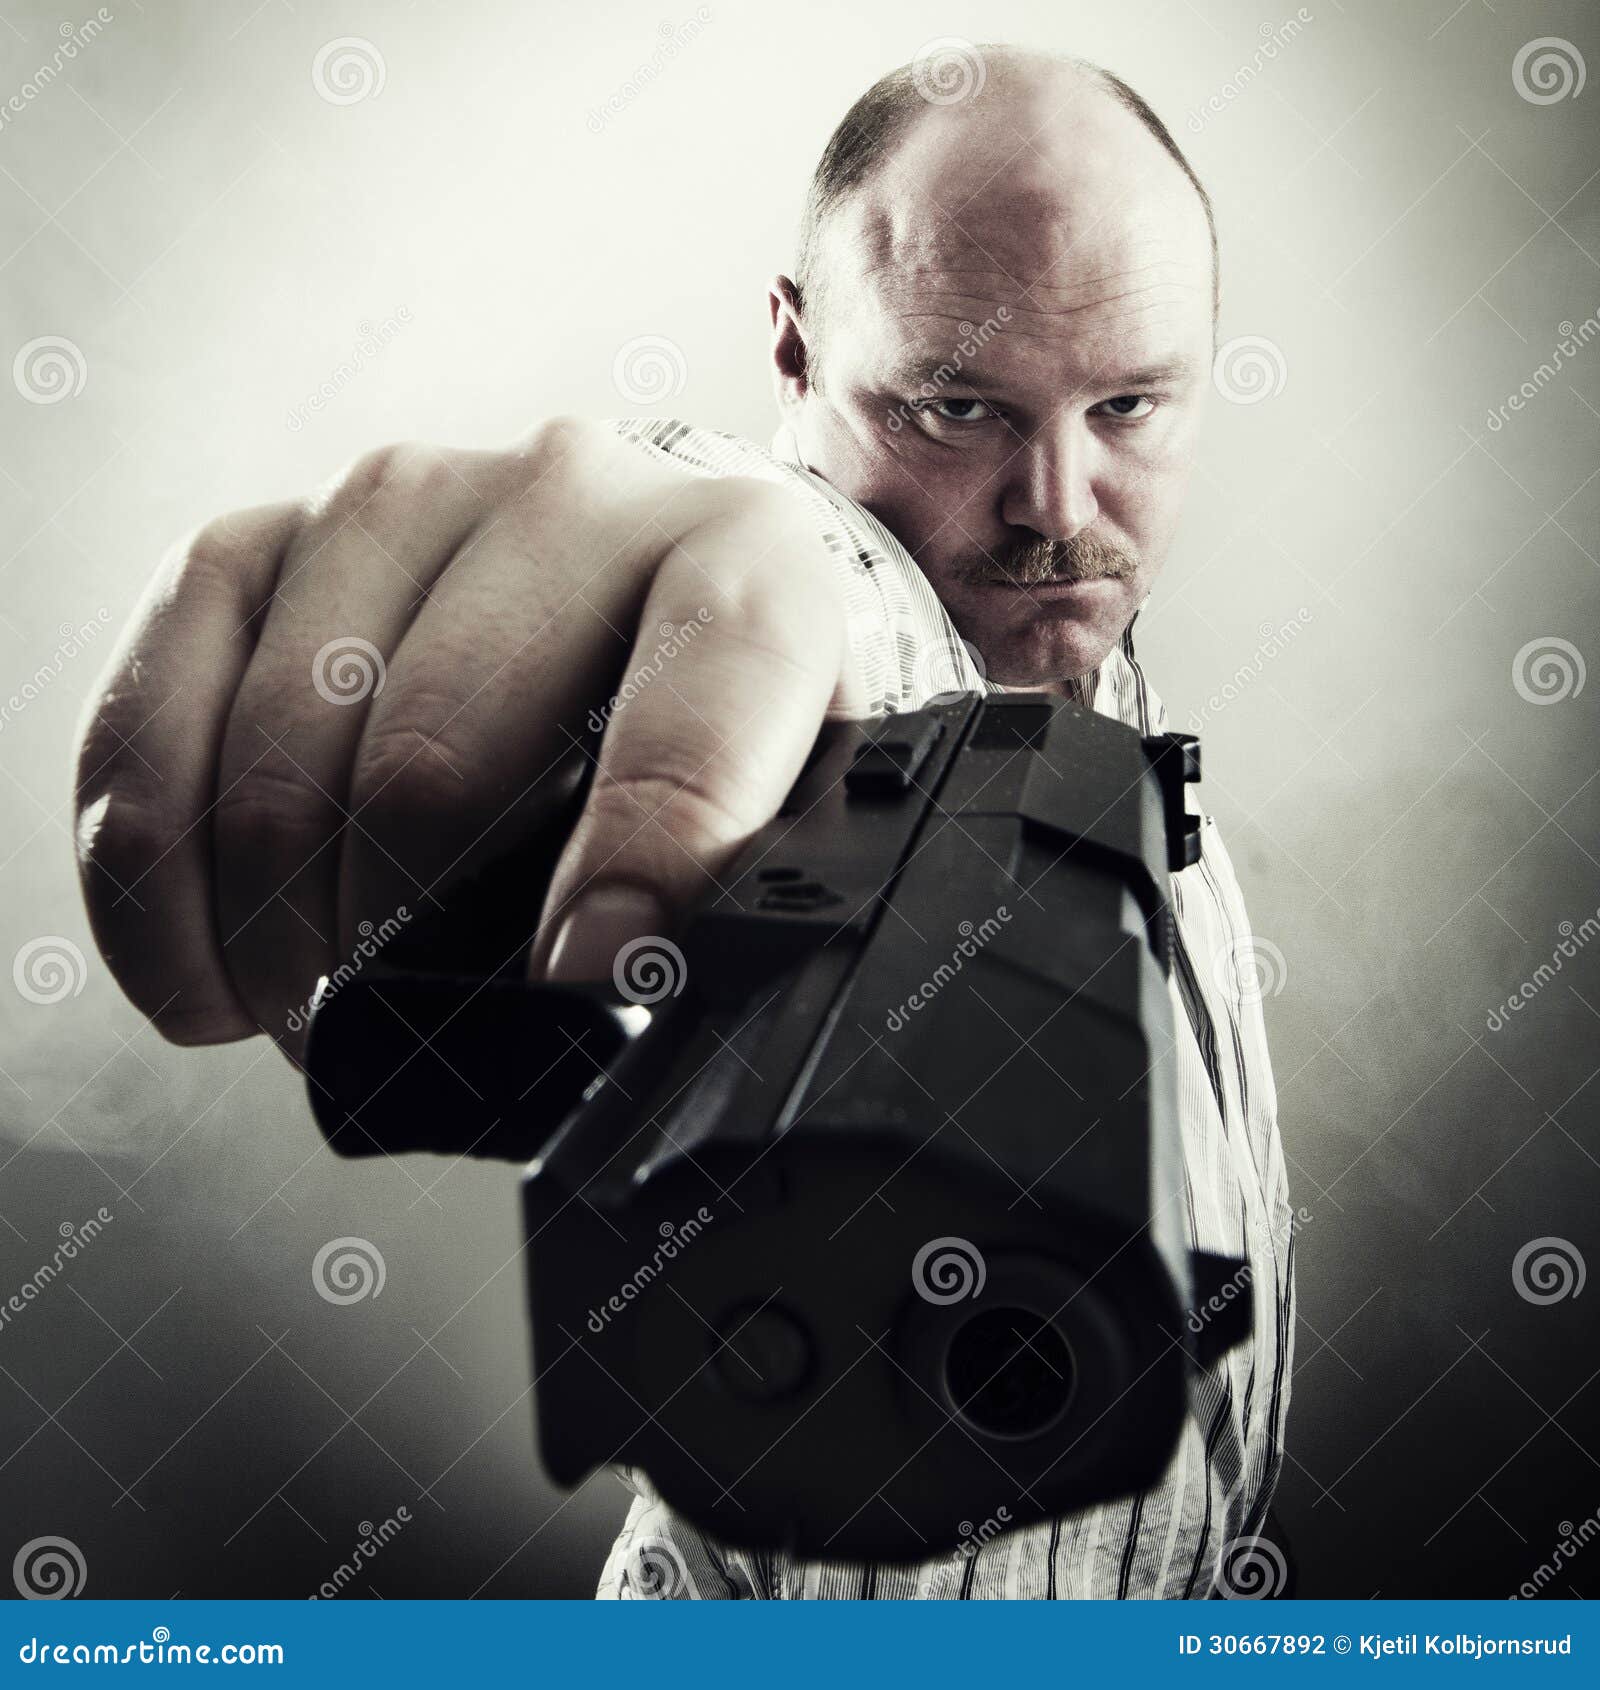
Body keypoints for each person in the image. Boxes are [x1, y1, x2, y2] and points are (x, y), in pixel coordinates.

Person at [73, 45, 1294, 1599]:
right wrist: (661, 621)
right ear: (793, 349)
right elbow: (791, 575)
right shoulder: (854, 676)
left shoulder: (1126, 723)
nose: (1057, 500)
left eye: (1128, 403)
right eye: (954, 404)